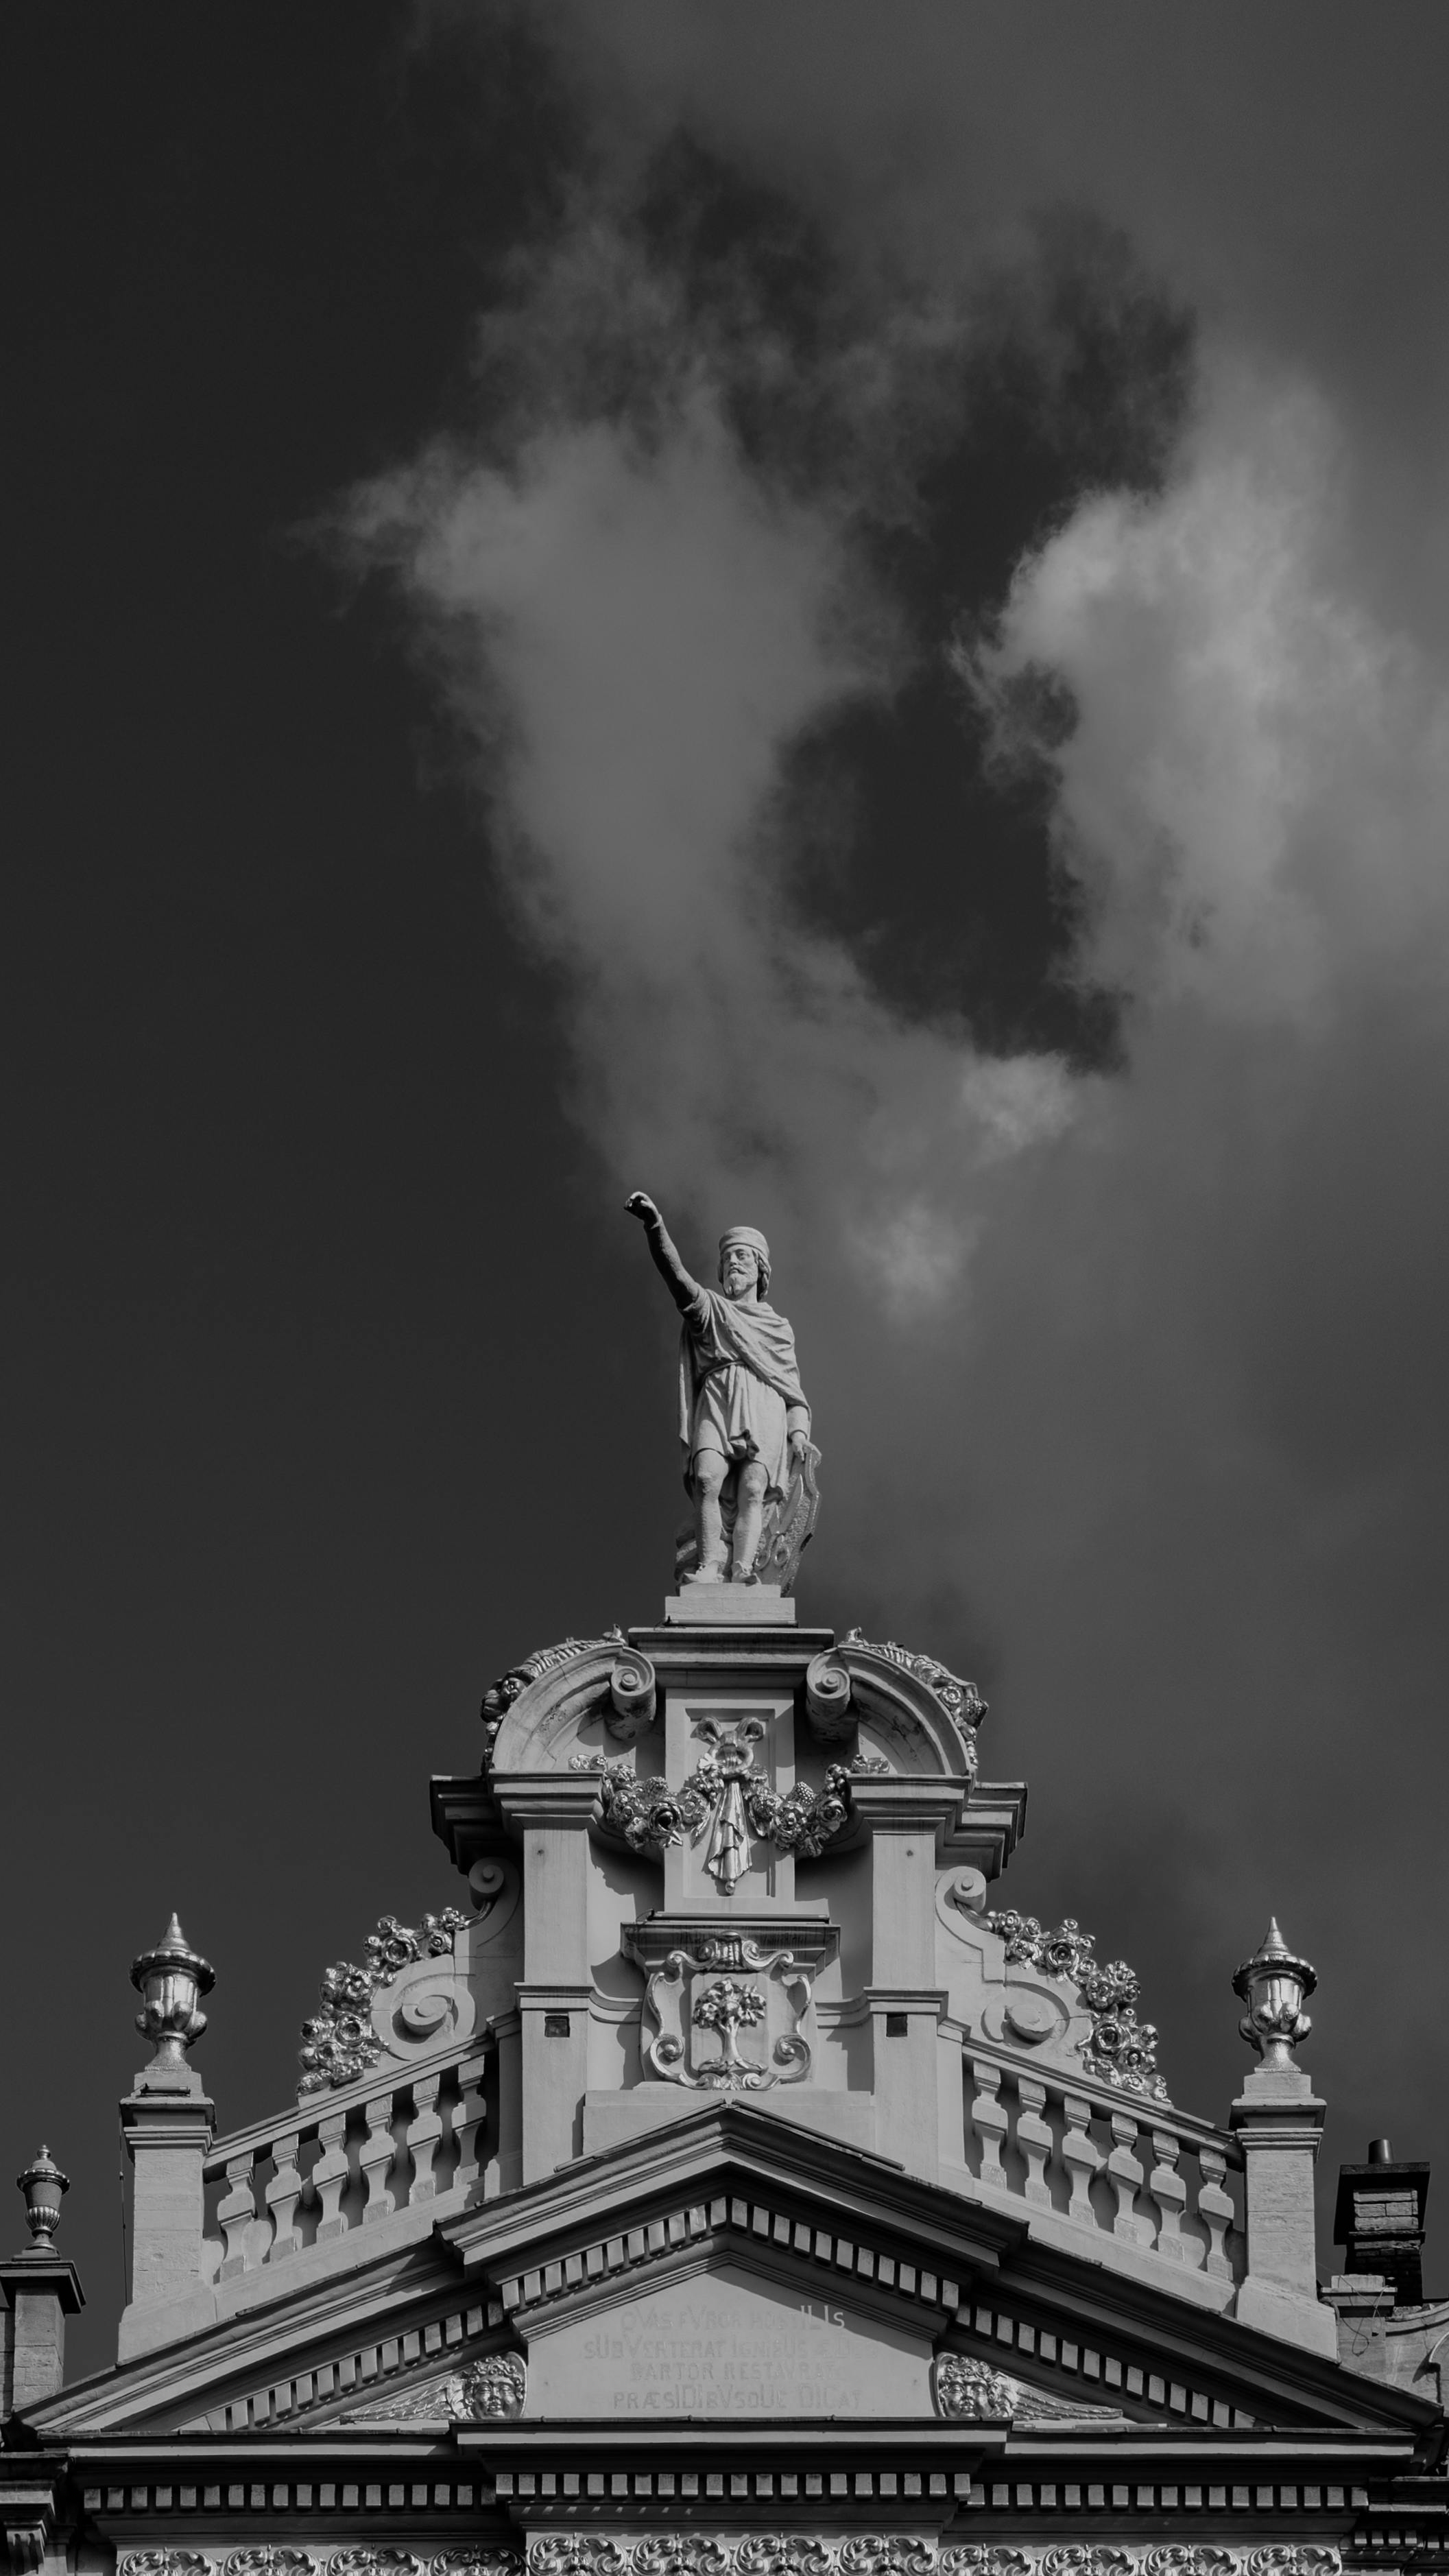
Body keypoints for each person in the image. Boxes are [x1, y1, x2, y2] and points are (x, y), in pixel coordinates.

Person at [625, 1193, 811, 1586]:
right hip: (717, 1395)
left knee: (753, 1488)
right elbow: (677, 1279)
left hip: (764, 1401)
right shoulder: (710, 1310)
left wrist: (799, 1434)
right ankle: (710, 1565)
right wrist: (654, 1225)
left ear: (759, 1269)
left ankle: (743, 1568)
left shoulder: (778, 1328)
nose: (733, 1265)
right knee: (707, 1478)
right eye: (728, 1259)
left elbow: (794, 1393)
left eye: (742, 1257)